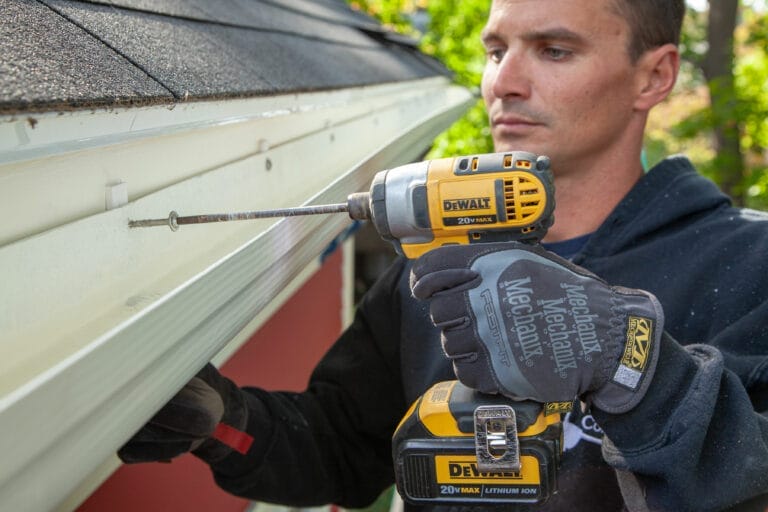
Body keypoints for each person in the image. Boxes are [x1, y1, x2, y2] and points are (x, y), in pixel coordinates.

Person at [119, 0, 768, 510]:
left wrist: (636, 365)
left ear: (655, 77)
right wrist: (225, 423)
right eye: (495, 50)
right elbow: (346, 448)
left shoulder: (749, 263)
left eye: (554, 50)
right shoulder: (442, 266)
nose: (503, 82)